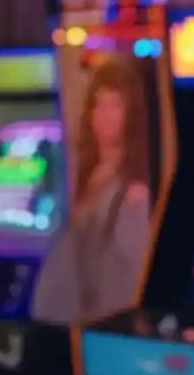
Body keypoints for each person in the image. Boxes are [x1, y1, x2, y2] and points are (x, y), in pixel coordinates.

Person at [33, 56, 152, 325]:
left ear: (131, 114)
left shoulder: (136, 193)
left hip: (102, 326)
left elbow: (131, 281)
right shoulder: (87, 174)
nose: (105, 116)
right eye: (99, 105)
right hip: (63, 323)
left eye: (115, 106)